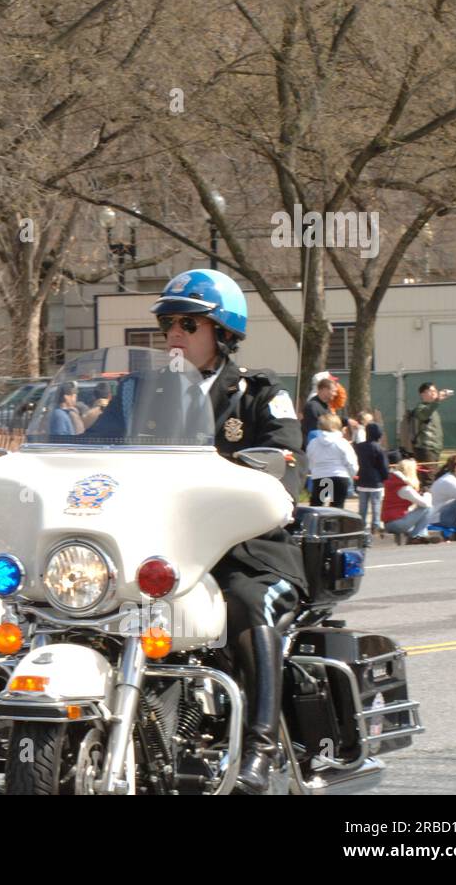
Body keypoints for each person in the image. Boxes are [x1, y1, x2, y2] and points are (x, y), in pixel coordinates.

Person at [145, 269, 306, 794]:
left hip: (245, 552)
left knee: (246, 605)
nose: (173, 334)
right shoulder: (144, 398)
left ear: (222, 333)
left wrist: (249, 469)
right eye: (168, 323)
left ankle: (258, 748)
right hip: (164, 551)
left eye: (187, 323)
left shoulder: (258, 395)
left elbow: (289, 465)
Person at [381, 454, 437, 545]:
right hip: (396, 523)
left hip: (390, 522)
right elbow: (425, 504)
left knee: (421, 512)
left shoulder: (394, 482)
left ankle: (421, 535)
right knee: (429, 509)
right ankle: (416, 536)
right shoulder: (404, 488)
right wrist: (427, 493)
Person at [307, 414, 357, 508]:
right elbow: (350, 461)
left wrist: (314, 471)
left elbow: (310, 459)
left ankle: (318, 523)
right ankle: (334, 523)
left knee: (318, 506)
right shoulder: (342, 442)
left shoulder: (313, 442)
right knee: (337, 507)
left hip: (321, 477)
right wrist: (352, 474)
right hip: (339, 476)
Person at [353, 422, 388, 543]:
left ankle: (360, 527)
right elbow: (383, 466)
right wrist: (385, 477)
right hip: (376, 481)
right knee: (376, 505)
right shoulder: (379, 448)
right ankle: (375, 527)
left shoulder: (359, 447)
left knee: (362, 506)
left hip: (362, 480)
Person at [406, 382, 452, 465]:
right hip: (425, 448)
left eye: (435, 390)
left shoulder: (433, 409)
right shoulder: (420, 408)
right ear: (422, 394)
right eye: (431, 391)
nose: (435, 393)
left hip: (435, 449)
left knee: (433, 475)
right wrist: (437, 400)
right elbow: (424, 415)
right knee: (428, 476)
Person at [301, 375, 336, 448]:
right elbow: (313, 431)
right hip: (315, 448)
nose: (335, 394)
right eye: (333, 391)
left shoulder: (325, 406)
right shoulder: (312, 406)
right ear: (324, 390)